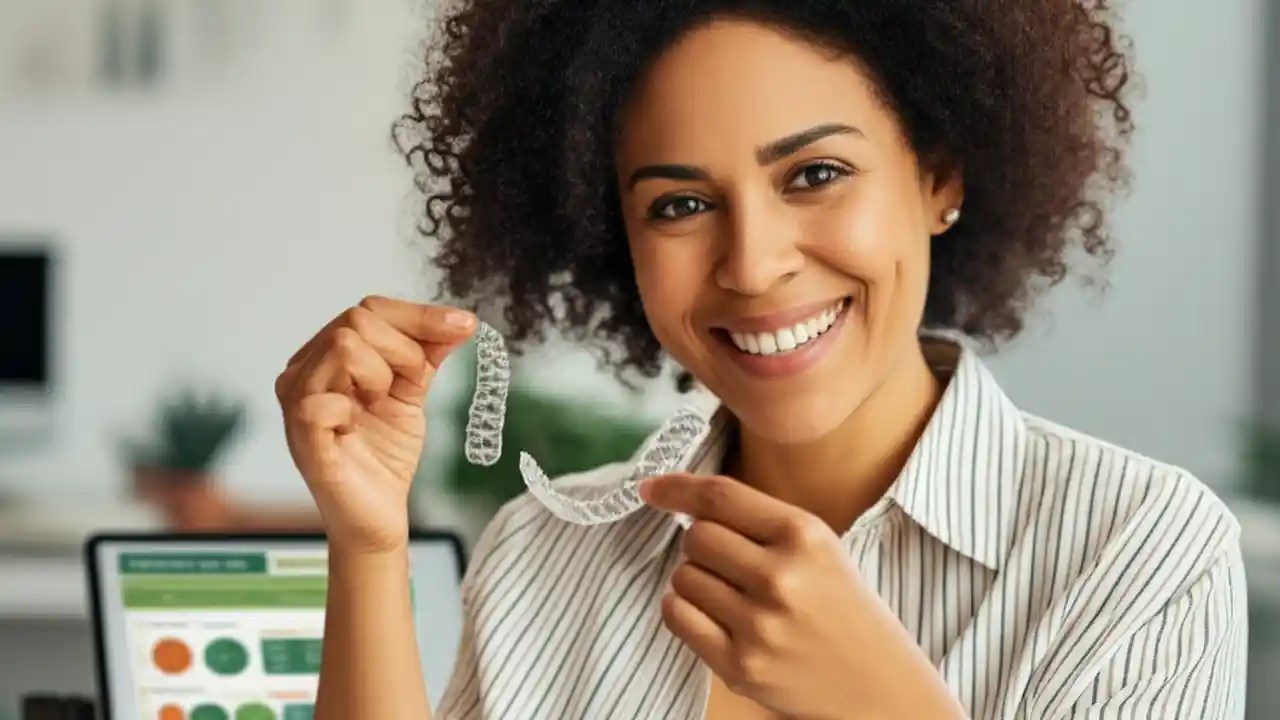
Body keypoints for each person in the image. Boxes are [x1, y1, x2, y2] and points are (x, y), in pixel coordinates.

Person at [274, 1, 1249, 718]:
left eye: (814, 175)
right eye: (678, 204)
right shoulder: (543, 555)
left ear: (936, 178)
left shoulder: (1137, 551)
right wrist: (368, 547)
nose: (751, 263)